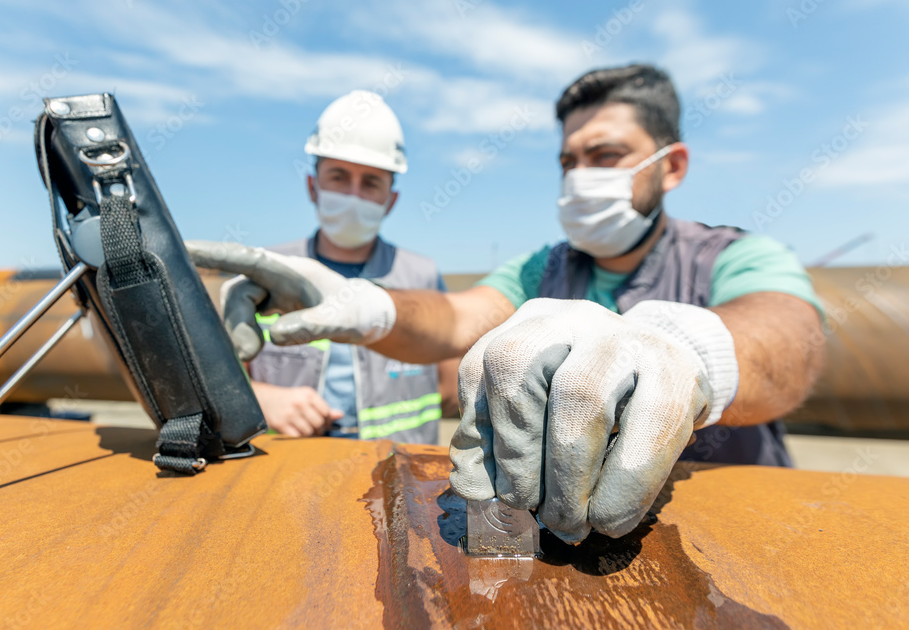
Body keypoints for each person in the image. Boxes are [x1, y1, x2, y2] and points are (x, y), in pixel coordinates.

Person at [188, 64, 824, 544]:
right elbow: (456, 318)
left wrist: (682, 350)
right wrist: (368, 305)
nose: (581, 176)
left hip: (729, 540)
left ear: (672, 165)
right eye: (569, 161)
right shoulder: (543, 270)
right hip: (568, 546)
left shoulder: (732, 256)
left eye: (605, 157)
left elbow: (788, 339)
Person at [234, 90, 457, 443]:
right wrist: (257, 397)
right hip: (289, 466)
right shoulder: (265, 270)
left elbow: (452, 389)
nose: (354, 195)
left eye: (371, 182)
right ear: (312, 186)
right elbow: (214, 376)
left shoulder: (422, 276)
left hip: (398, 470)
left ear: (391, 200)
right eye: (338, 176)